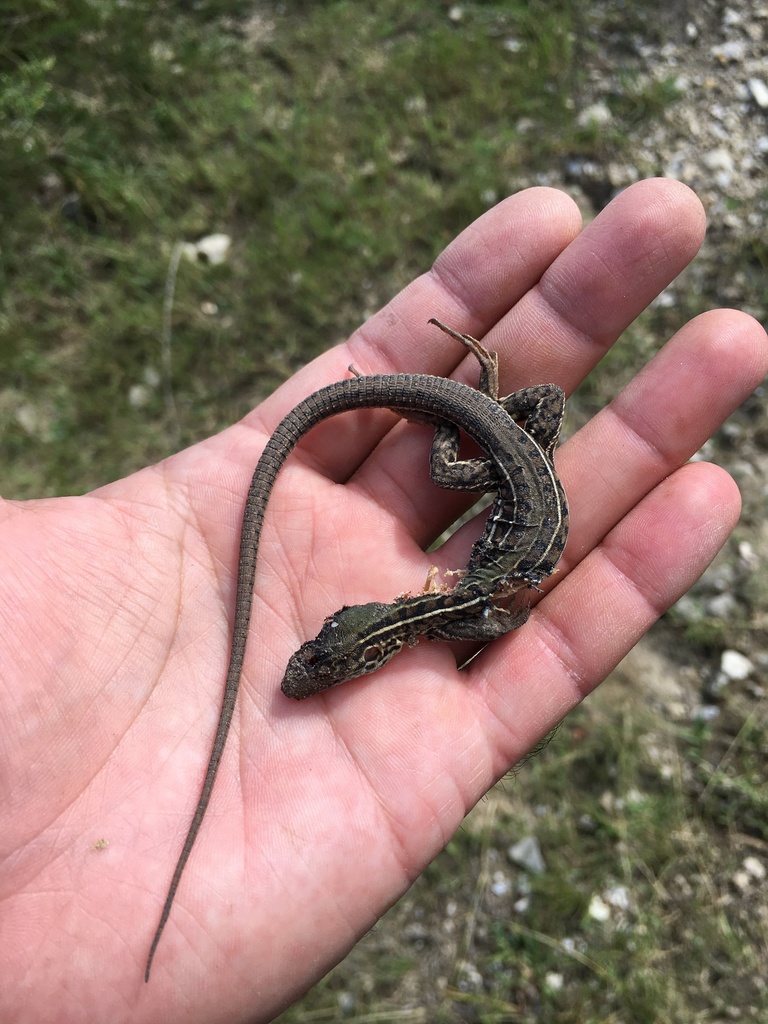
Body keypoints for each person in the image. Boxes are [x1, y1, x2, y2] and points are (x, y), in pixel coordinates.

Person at [1, 179, 765, 1023]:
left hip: (516, 476)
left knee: (463, 464)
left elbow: (505, 612)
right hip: (517, 477)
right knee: (471, 459)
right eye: (329, 660)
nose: (315, 670)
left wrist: (481, 421)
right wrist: (483, 420)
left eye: (328, 660)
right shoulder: (449, 613)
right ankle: (479, 401)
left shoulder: (449, 615)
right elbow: (502, 609)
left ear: (367, 642)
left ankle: (479, 401)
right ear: (360, 638)